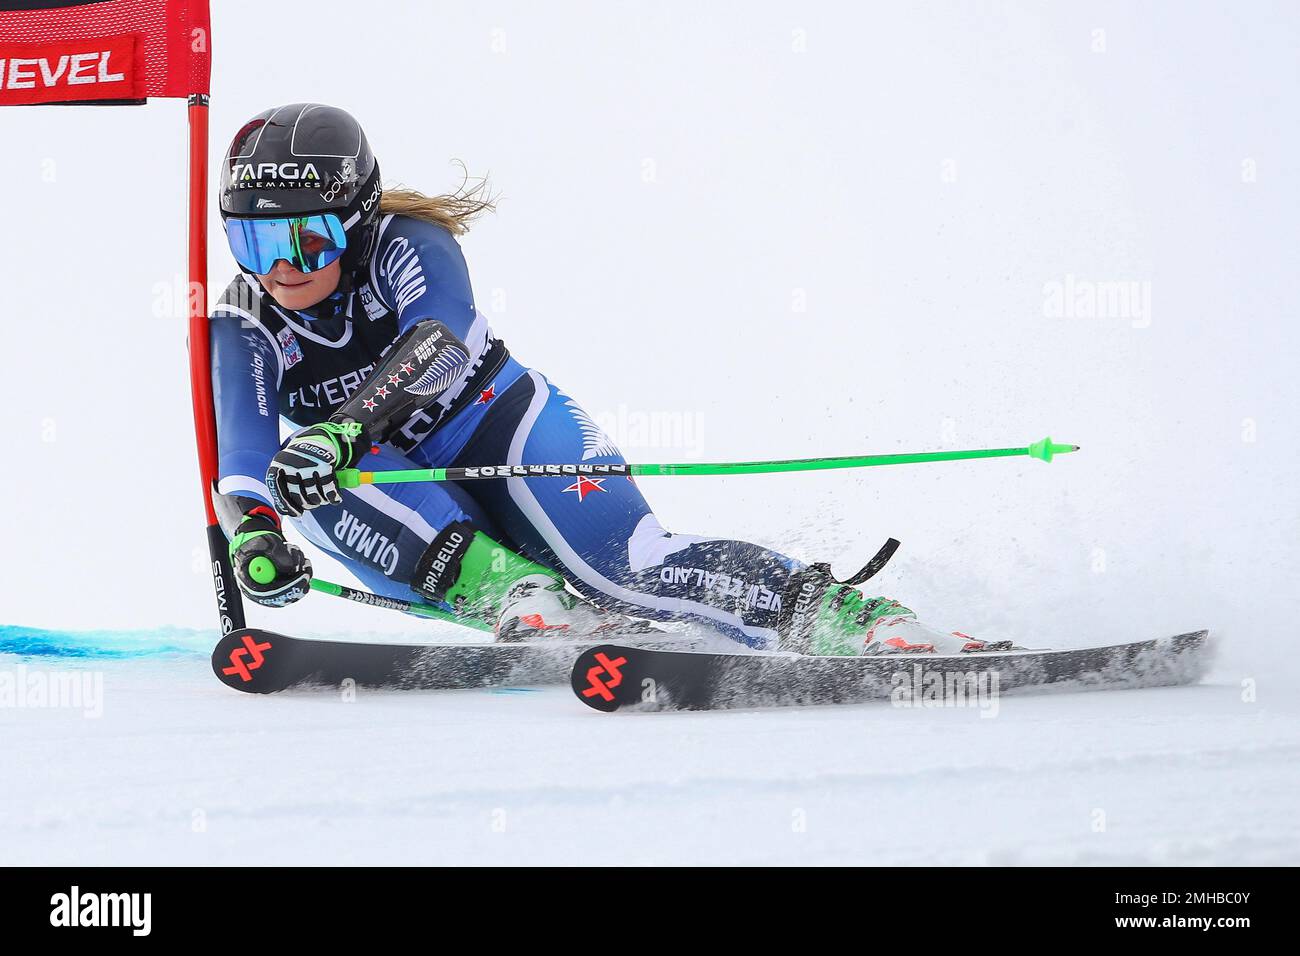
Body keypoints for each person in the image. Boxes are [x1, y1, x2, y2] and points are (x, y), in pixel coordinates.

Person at [212, 103, 987, 655]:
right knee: (302, 478)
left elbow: (439, 339)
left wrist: (346, 425)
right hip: (410, 492)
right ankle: (516, 594)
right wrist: (255, 533)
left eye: (305, 240)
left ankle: (848, 619)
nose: (280, 267)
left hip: (505, 430)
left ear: (355, 215)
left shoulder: (405, 241)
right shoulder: (247, 316)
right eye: (252, 240)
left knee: (624, 568)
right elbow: (243, 452)